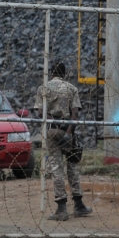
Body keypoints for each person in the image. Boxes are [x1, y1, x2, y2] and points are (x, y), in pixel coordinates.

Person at [39, 62, 91, 221]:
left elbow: (42, 112)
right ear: (64, 73)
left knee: (56, 167)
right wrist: (68, 133)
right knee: (73, 165)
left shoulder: (44, 88)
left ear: (51, 72)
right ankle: (79, 204)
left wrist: (52, 125)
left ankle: (61, 208)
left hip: (52, 130)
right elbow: (75, 114)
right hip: (69, 130)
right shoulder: (71, 88)